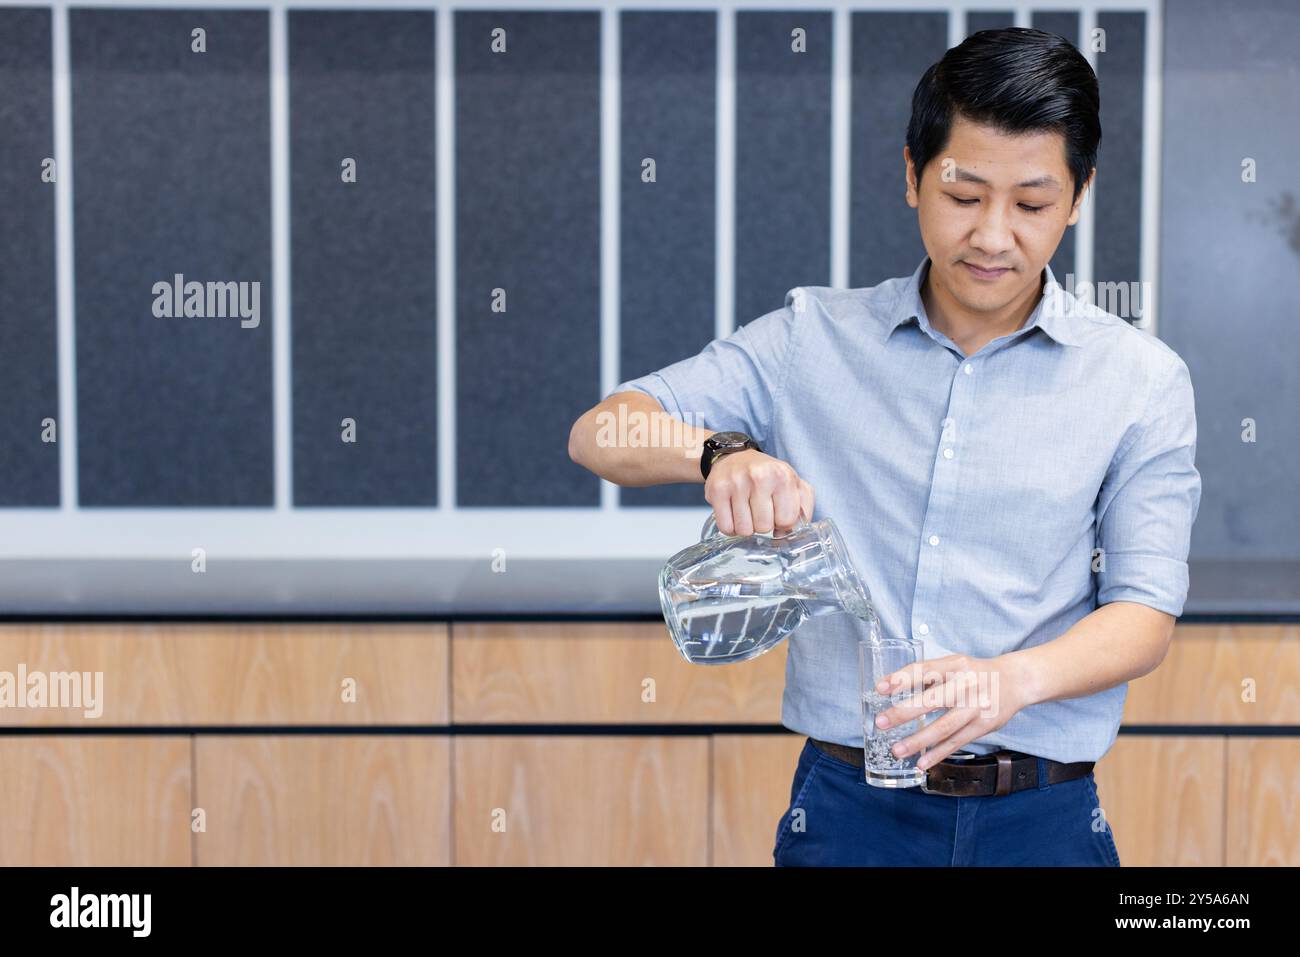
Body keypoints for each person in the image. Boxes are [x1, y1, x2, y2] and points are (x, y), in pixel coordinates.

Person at [568, 27, 1200, 866]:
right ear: (913, 175)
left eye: (1033, 203)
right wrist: (720, 452)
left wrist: (1009, 681)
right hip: (849, 816)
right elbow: (601, 431)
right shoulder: (812, 339)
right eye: (964, 194)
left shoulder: (1140, 381)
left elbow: (1144, 616)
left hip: (1042, 818)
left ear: (1079, 196)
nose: (993, 235)